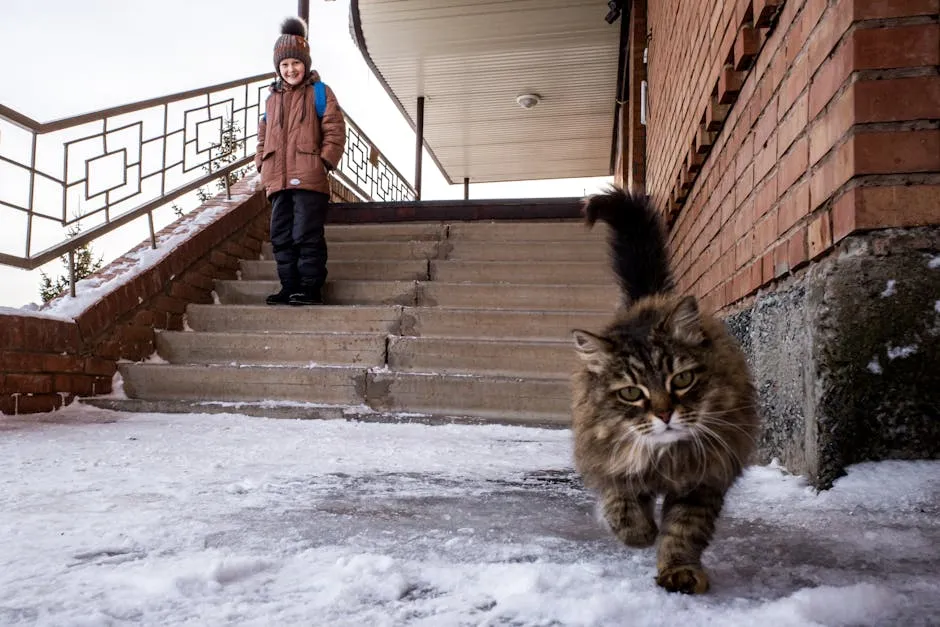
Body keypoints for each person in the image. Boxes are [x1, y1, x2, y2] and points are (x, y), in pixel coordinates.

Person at [255, 17, 346, 306]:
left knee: (306, 233)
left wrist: (325, 162)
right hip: (277, 179)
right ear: (278, 68)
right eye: (284, 65)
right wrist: (261, 163)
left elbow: (335, 129)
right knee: (281, 235)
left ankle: (309, 288)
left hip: (309, 176)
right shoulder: (271, 99)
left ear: (304, 63)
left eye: (295, 63)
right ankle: (289, 287)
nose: (290, 69)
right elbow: (262, 133)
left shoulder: (319, 92)